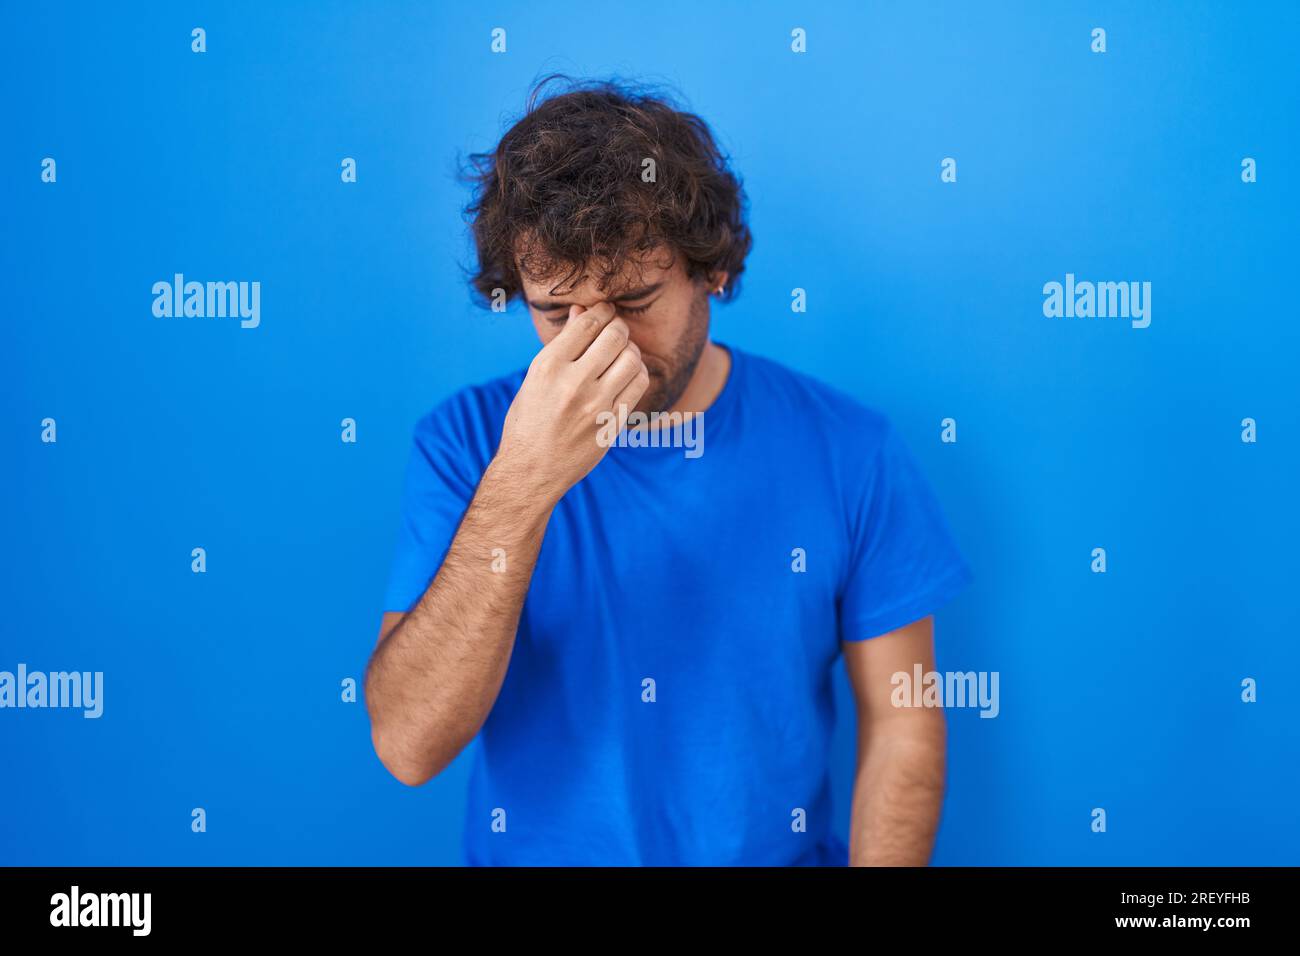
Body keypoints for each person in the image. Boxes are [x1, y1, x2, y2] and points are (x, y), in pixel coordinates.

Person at [364, 76, 973, 866]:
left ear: (710, 269)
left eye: (635, 299)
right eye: (557, 312)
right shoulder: (465, 444)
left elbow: (903, 721)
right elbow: (409, 746)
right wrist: (523, 482)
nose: (599, 348)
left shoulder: (851, 450)